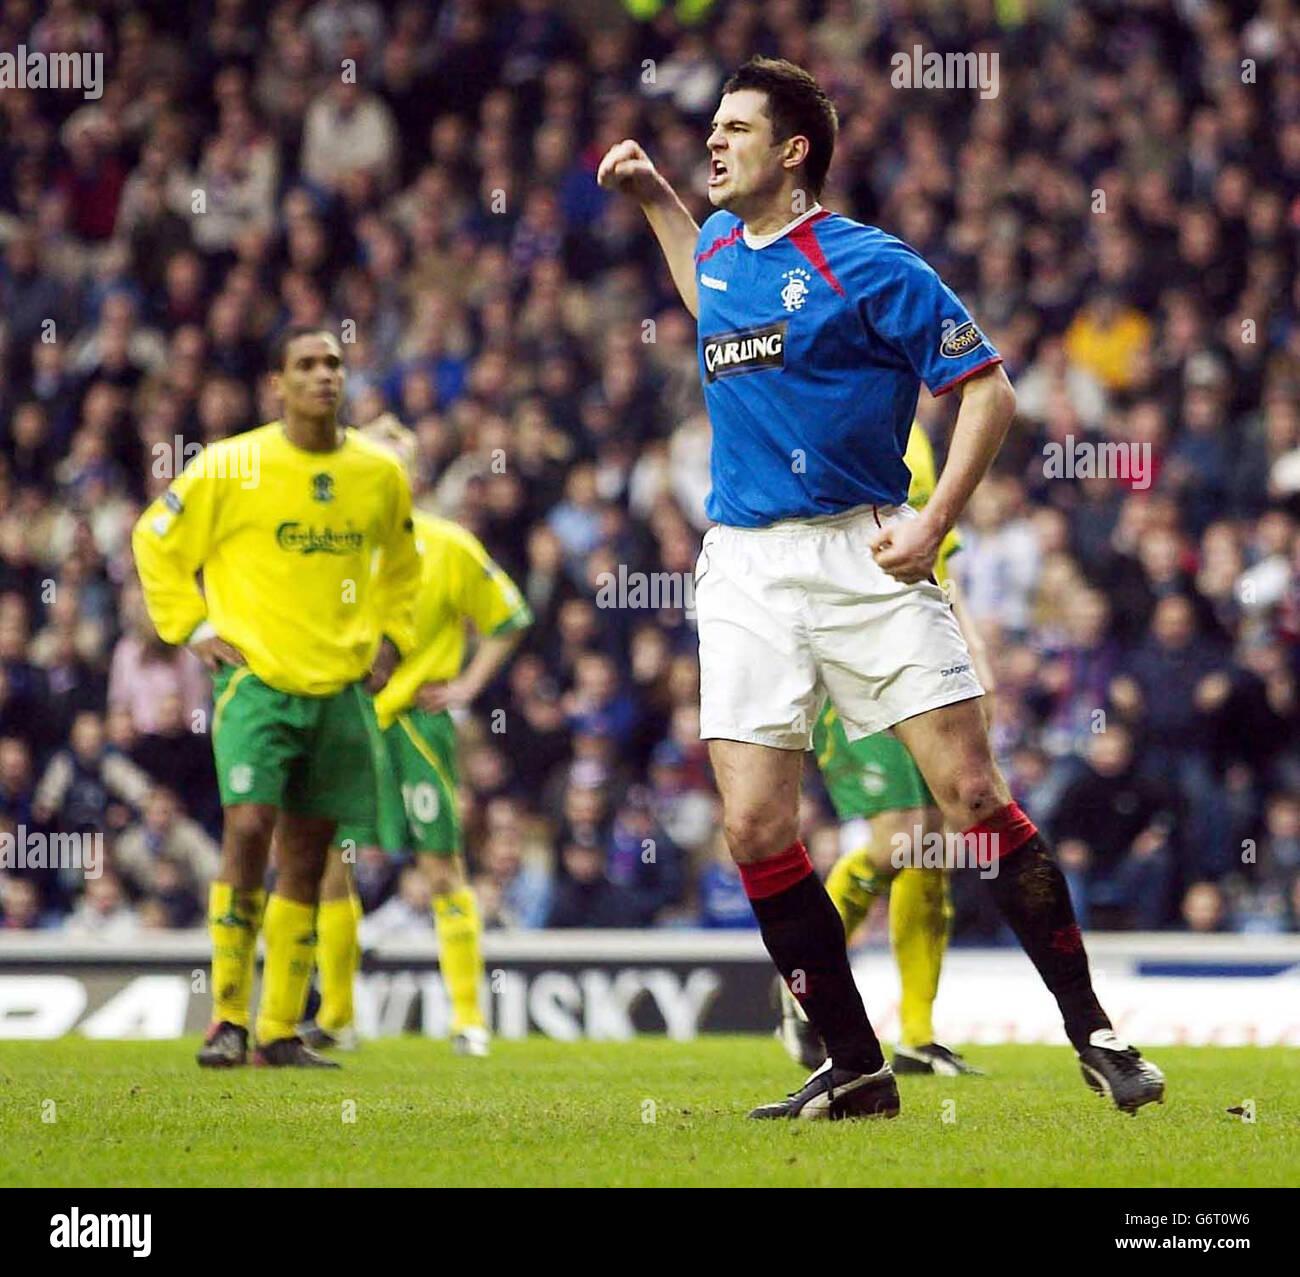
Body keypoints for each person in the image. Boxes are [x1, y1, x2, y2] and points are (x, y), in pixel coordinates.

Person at [597, 57, 1164, 1118]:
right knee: (756, 828)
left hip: (868, 553)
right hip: (746, 567)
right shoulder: (720, 245)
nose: (711, 142)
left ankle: (1094, 1031)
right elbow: (704, 292)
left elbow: (985, 389)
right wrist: (653, 202)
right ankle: (854, 1064)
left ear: (794, 149)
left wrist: (935, 517)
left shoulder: (872, 264)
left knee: (973, 797)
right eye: (709, 129)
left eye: (734, 129)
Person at [132, 327, 420, 1068]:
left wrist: (392, 635)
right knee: (249, 826)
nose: (325, 375)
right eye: (307, 365)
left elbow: (403, 564)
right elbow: (154, 537)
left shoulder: (378, 473)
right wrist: (190, 623)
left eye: (333, 363)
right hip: (256, 684)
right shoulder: (232, 466)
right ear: (277, 384)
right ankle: (226, 1014)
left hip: (338, 691)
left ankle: (279, 1029)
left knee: (306, 856)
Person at [304, 414, 532, 1057]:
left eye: (395, 466)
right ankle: (338, 1017)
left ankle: (467, 1020)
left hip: (418, 728)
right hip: (346, 719)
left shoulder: (447, 544)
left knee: (440, 867)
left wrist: (466, 688)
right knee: (331, 866)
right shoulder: (333, 545)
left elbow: (509, 618)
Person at [778, 423, 991, 1077]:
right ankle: (801, 991)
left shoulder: (918, 439)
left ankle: (918, 1034)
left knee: (931, 845)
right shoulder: (821, 421)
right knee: (898, 838)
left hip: (920, 653)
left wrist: (972, 648)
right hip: (850, 655)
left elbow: (939, 560)